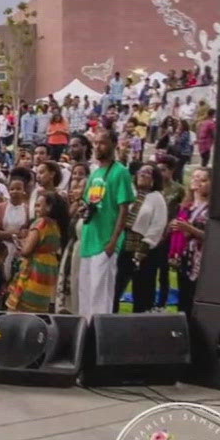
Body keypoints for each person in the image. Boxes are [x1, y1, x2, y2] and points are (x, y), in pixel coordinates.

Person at [77, 129, 136, 318]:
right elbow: (89, 202)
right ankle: (84, 333)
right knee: (85, 292)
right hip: (88, 239)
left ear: (113, 144)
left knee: (101, 295)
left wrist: (113, 242)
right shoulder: (95, 173)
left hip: (105, 242)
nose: (97, 147)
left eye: (102, 143)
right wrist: (82, 209)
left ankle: (98, 334)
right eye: (95, 143)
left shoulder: (121, 172)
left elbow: (124, 209)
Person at [6, 191, 68, 314]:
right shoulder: (56, 225)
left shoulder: (41, 222)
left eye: (39, 205)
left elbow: (26, 251)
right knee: (37, 313)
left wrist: (20, 241)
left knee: (18, 312)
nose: (36, 209)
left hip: (34, 272)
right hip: (47, 273)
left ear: (49, 207)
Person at [121, 164, 170, 313]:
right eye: (141, 172)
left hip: (144, 248)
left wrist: (146, 244)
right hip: (123, 243)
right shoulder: (130, 193)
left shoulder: (157, 198)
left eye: (148, 173)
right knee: (116, 285)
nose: (143, 174)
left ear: (154, 179)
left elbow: (158, 224)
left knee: (142, 290)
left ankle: (139, 321)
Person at [170, 168, 212, 316]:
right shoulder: (186, 206)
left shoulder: (211, 209)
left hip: (202, 262)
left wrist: (190, 229)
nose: (197, 181)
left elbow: (214, 237)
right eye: (195, 177)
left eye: (203, 179)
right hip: (185, 259)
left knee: (195, 301)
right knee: (183, 298)